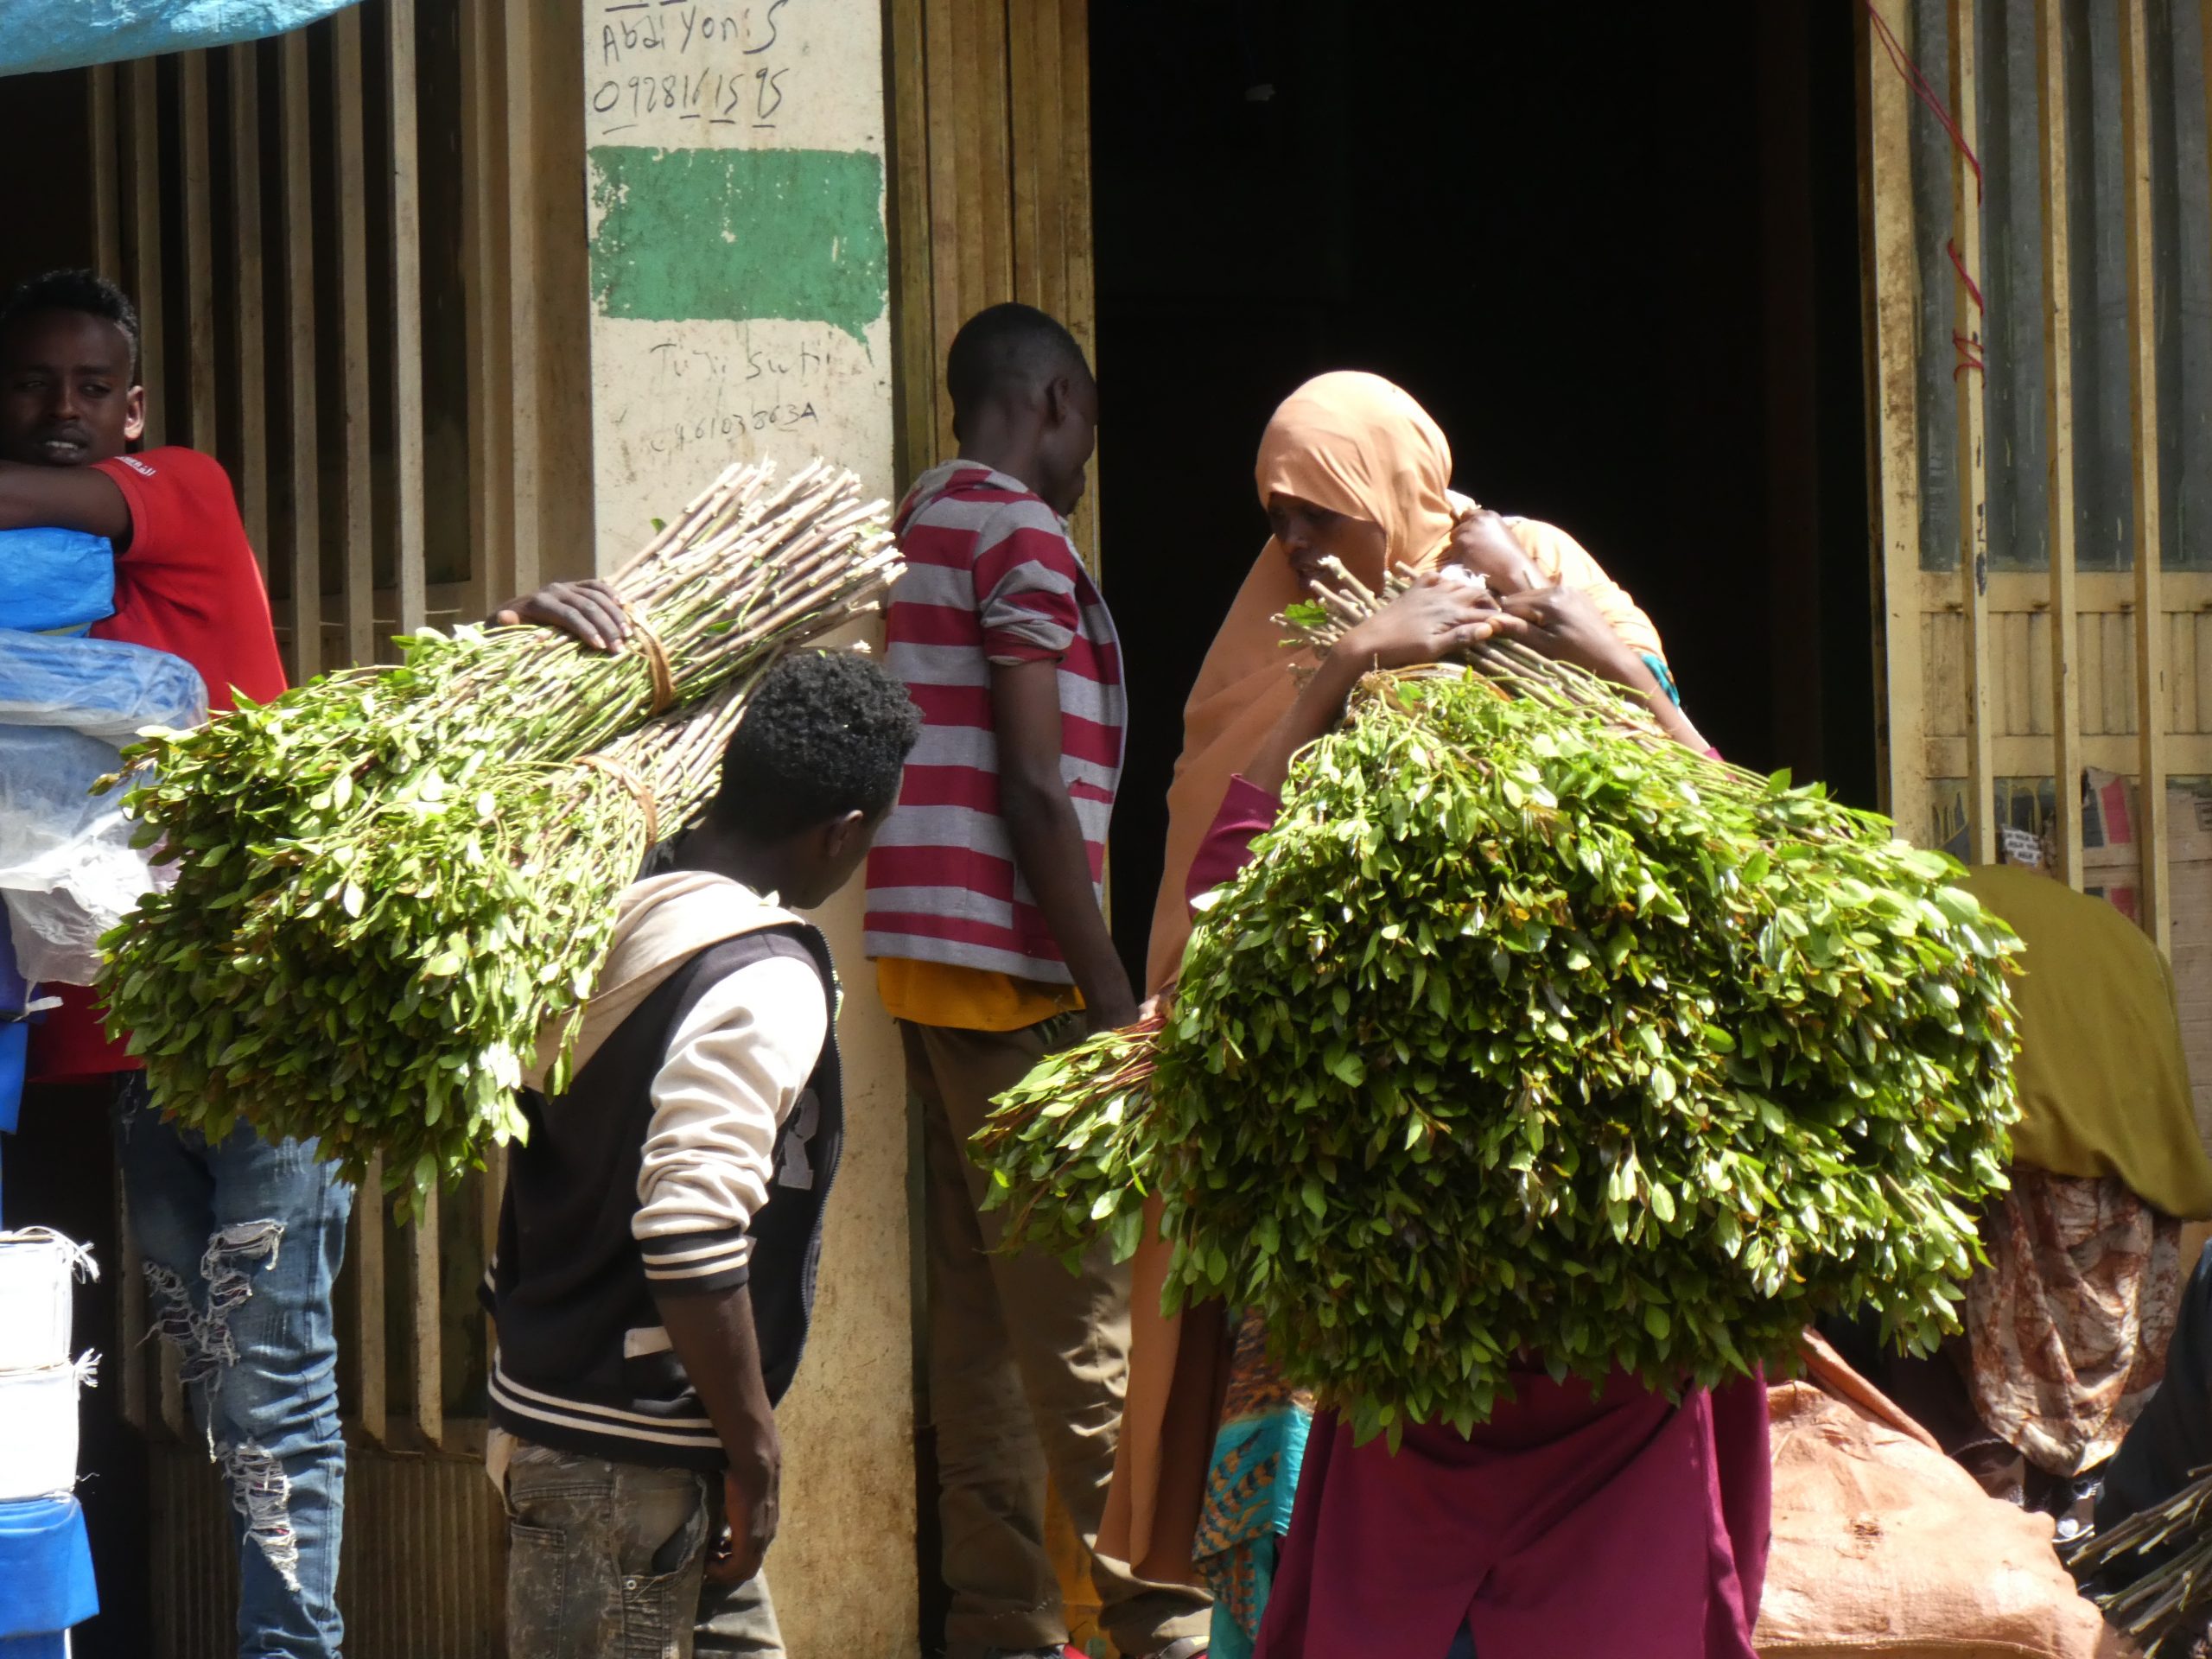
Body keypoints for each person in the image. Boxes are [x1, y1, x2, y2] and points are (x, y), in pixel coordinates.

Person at [0, 266, 628, 1659]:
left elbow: (31, 501)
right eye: (34, 384)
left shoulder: (181, 494)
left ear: (136, 406)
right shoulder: (44, 610)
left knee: (267, 1385)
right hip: (102, 1046)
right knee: (135, 1375)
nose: (61, 411)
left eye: (89, 387)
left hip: (254, 1027)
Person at [1105, 370, 1762, 1659]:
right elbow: (1219, 918)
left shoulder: (1548, 598)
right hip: (1394, 1260)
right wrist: (1342, 670)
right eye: (1276, 516)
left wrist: (1589, 653)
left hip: (1578, 1265)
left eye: (1323, 514)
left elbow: (1733, 845)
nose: (1294, 546)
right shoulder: (1286, 646)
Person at [863, 302, 1211, 1659]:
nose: (1085, 467)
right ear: (1056, 401)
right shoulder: (1014, 532)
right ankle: (1166, 1634)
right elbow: (1031, 783)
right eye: (1088, 433)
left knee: (982, 1337)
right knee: (1085, 1338)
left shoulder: (921, 519)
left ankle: (997, 1624)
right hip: (1014, 978)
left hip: (926, 966)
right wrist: (1112, 992)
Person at [486, 649, 922, 1658]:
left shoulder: (621, 902)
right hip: (624, 1465)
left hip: (594, 1437)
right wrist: (756, 1449)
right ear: (841, 832)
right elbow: (686, 1232)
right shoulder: (758, 974)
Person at [1827, 856, 2212, 1524]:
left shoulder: (1929, 918)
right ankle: (2098, 1512)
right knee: (2117, 1379)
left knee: (1969, 1351)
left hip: (2005, 1184)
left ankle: (2000, 1506)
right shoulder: (2120, 939)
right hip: (2124, 1198)